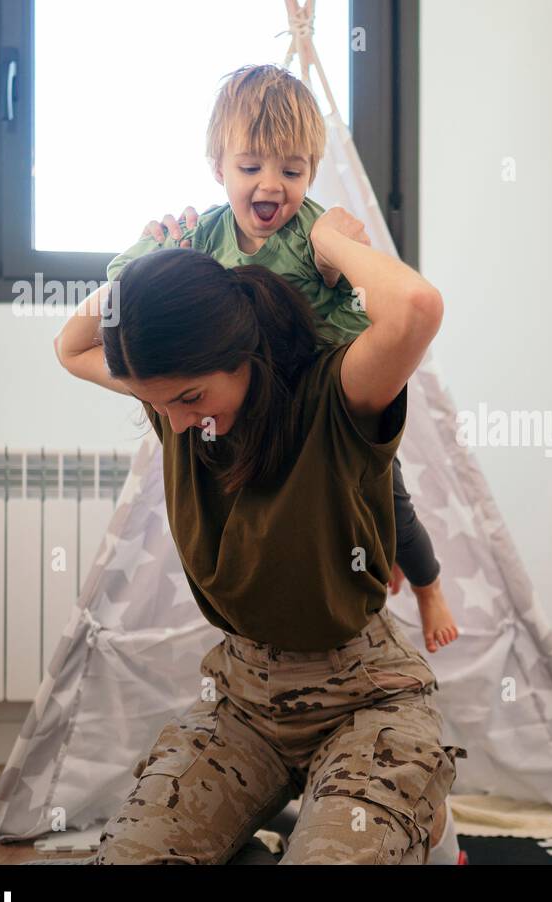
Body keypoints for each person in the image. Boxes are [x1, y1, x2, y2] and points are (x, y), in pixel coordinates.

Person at [53, 203, 466, 864]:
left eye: (188, 399)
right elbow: (72, 347)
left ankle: (424, 817)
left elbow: (416, 306)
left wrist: (329, 242)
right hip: (242, 699)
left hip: (363, 697)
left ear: (241, 352)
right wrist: (141, 268)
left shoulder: (335, 396)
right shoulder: (177, 406)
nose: (175, 424)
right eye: (157, 405)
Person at [108, 62, 459, 653]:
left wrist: (336, 248)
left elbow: (409, 306)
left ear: (312, 172)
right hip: (260, 410)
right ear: (218, 167)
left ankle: (427, 586)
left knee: (388, 503)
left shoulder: (313, 233)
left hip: (329, 410)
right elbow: (124, 293)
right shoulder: (205, 238)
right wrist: (153, 244)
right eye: (250, 167)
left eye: (292, 170)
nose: (271, 185)